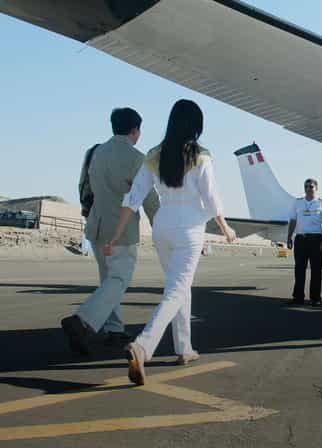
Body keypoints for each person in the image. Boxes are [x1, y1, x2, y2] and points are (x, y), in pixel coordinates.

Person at [105, 99, 236, 385]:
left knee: (179, 287)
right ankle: (143, 347)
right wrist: (225, 227)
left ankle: (183, 348)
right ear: (196, 125)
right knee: (177, 289)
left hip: (162, 227)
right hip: (189, 228)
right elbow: (211, 197)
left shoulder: (154, 154)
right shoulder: (201, 155)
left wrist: (116, 234)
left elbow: (134, 196)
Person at [61, 108, 159, 355]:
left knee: (107, 279)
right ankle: (82, 321)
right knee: (118, 280)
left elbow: (85, 186)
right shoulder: (137, 159)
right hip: (121, 232)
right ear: (135, 131)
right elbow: (149, 199)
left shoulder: (95, 153)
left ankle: (113, 329)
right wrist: (161, 228)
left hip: (96, 227)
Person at [286, 179, 322, 306]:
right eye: (306, 186)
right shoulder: (298, 202)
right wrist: (289, 237)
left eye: (311, 186)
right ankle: (298, 297)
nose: (308, 189)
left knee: (316, 270)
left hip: (315, 240)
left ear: (316, 188)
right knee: (299, 269)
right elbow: (293, 220)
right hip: (300, 239)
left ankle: (316, 298)